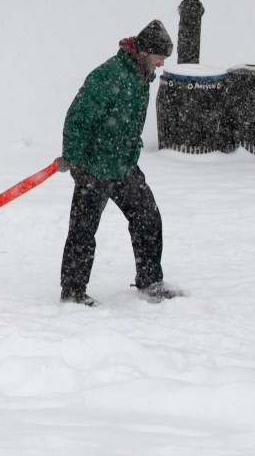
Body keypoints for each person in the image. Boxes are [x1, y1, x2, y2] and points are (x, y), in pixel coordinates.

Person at [56, 20, 184, 306]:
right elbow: (77, 118)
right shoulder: (109, 75)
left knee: (148, 218)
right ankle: (73, 293)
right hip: (95, 165)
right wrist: (73, 157)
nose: (162, 63)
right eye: (159, 56)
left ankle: (150, 281)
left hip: (123, 165)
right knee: (83, 230)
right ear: (145, 51)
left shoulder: (140, 75)